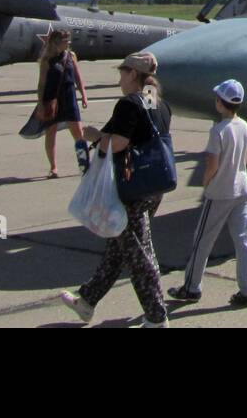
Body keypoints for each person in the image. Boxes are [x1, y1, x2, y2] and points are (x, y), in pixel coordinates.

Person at [61, 52, 172, 327]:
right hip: (152, 185)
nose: (120, 78)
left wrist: (95, 135)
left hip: (130, 187)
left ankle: (157, 317)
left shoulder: (129, 104)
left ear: (133, 74)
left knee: (137, 253)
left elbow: (119, 143)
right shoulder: (156, 101)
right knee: (119, 247)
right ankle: (87, 300)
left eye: (122, 73)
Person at [168, 79, 247, 308]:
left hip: (219, 192)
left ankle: (191, 287)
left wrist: (207, 184)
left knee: (203, 240)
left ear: (221, 103)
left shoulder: (218, 130)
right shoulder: (245, 126)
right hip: (242, 189)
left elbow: (212, 164)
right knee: (243, 240)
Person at [21, 28, 89, 177]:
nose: (69, 43)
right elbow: (41, 84)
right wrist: (40, 103)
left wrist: (83, 95)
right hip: (51, 99)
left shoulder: (71, 56)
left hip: (69, 97)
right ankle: (53, 167)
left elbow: (78, 77)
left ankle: (84, 163)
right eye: (66, 40)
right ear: (57, 42)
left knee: (78, 133)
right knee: (50, 133)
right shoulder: (46, 60)